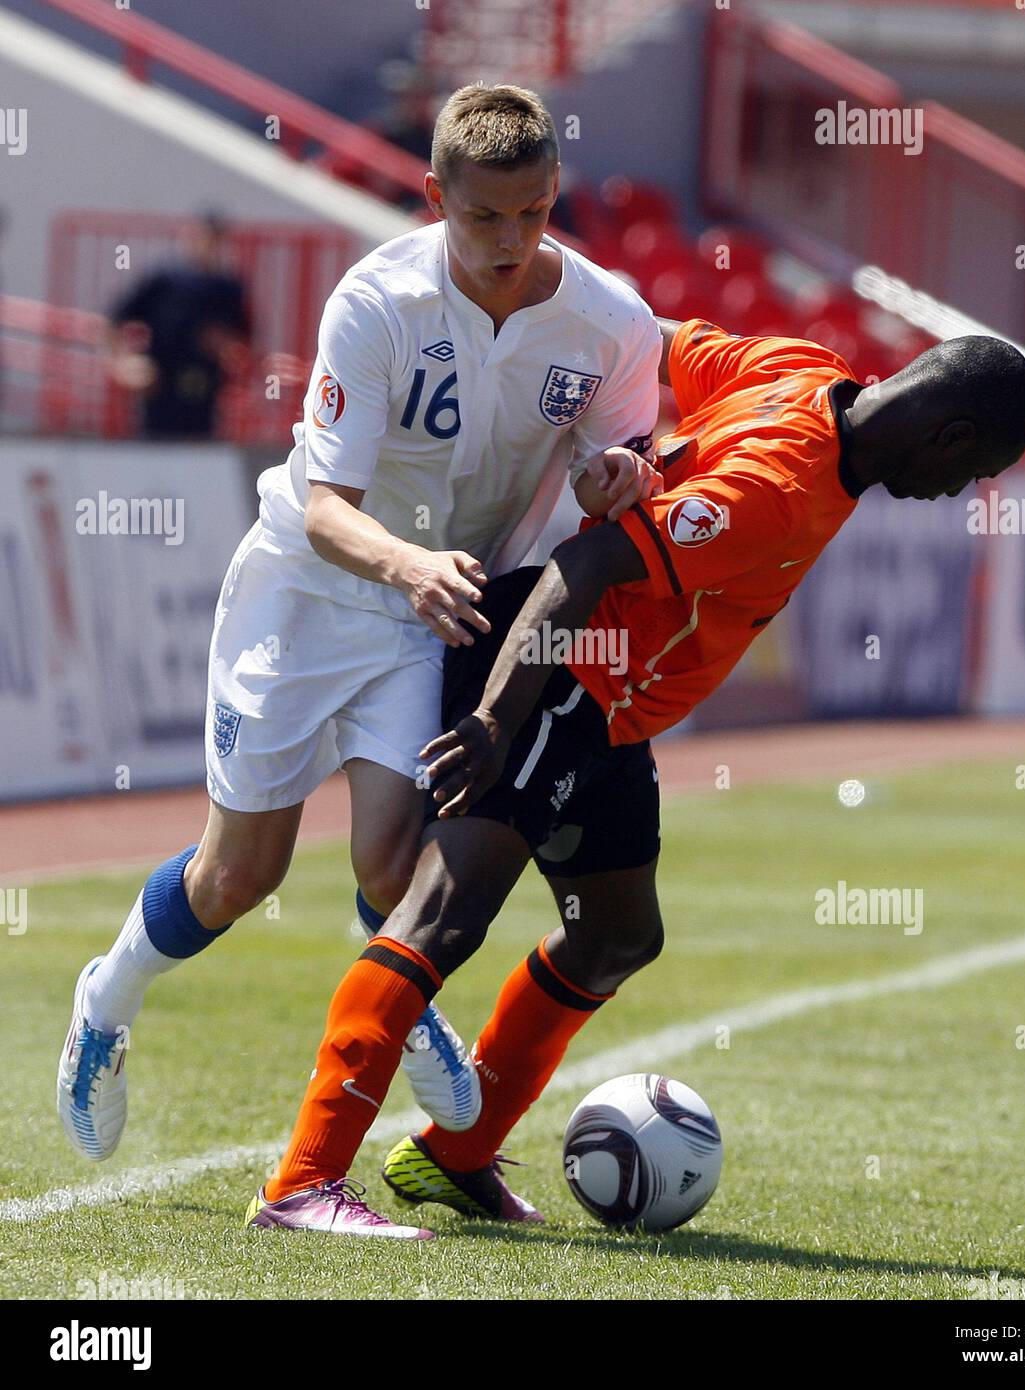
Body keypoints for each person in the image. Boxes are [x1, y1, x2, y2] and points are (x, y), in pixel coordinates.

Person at [244, 316, 1025, 1238]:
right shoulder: (777, 490)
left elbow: (630, 325)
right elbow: (581, 566)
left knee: (617, 934)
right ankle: (302, 1181)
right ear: (949, 436)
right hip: (553, 678)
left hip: (610, 710)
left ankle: (451, 1158)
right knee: (447, 913)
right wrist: (498, 721)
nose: (958, 493)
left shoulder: (796, 365)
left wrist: (620, 450)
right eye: (974, 472)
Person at [57, 84, 663, 1203]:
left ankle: (404, 1012)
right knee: (242, 872)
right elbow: (329, 503)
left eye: (533, 213)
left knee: (394, 866)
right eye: (484, 217)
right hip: (311, 583)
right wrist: (411, 562)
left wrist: (621, 471)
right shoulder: (375, 301)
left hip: (422, 609)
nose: (510, 240)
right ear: (436, 198)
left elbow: (622, 450)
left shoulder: (612, 322)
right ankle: (108, 999)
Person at [106, 213, 251, 439]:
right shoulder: (165, 279)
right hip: (159, 390)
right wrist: (123, 365)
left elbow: (244, 342)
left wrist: (225, 347)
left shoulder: (228, 288)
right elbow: (114, 320)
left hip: (204, 392)